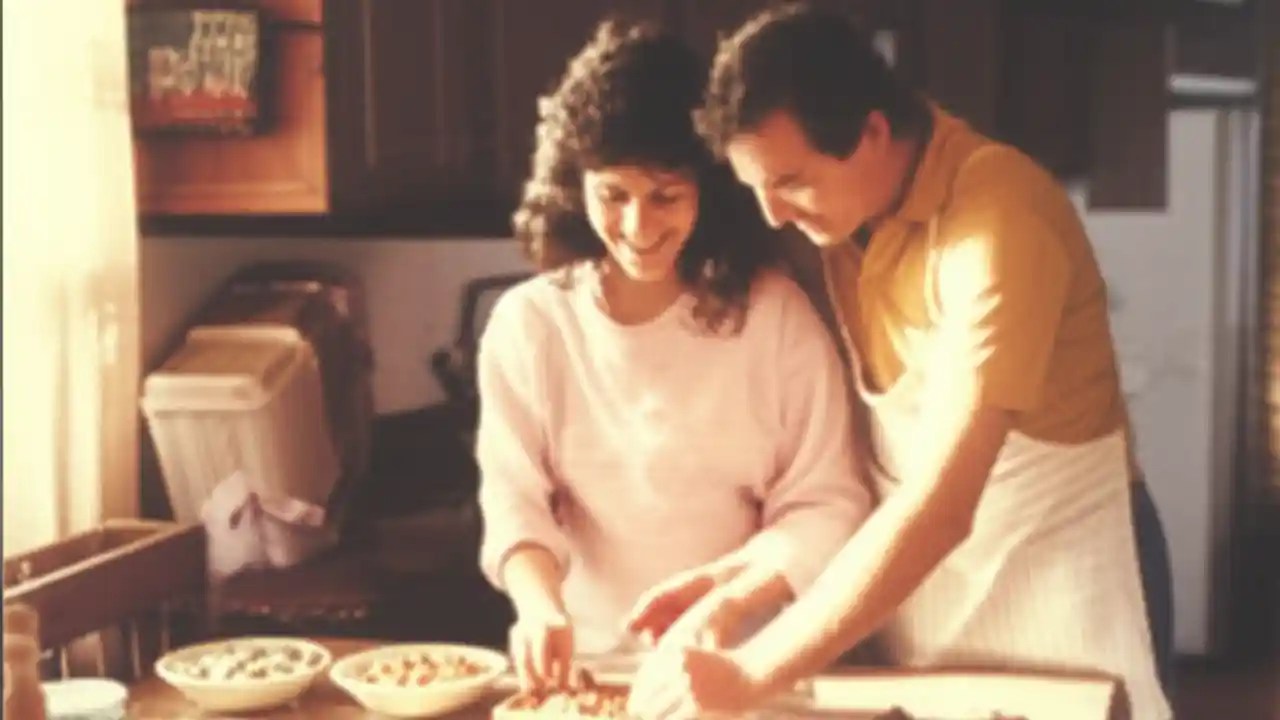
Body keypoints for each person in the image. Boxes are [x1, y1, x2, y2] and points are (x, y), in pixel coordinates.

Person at [625, 4, 1175, 719]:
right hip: (934, 619)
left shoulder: (1000, 216)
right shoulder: (844, 219)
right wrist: (743, 582)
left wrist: (754, 672)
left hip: (1070, 593)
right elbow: (871, 477)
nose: (773, 216)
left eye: (789, 182)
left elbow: (943, 507)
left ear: (872, 132)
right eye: (755, 188)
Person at [475, 18, 870, 693]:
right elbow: (516, 500)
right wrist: (539, 606)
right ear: (576, 186)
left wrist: (728, 603)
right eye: (613, 196)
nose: (638, 226)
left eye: (666, 196)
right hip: (585, 672)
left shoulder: (774, 320)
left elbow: (826, 505)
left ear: (710, 190)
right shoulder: (530, 325)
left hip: (747, 668)